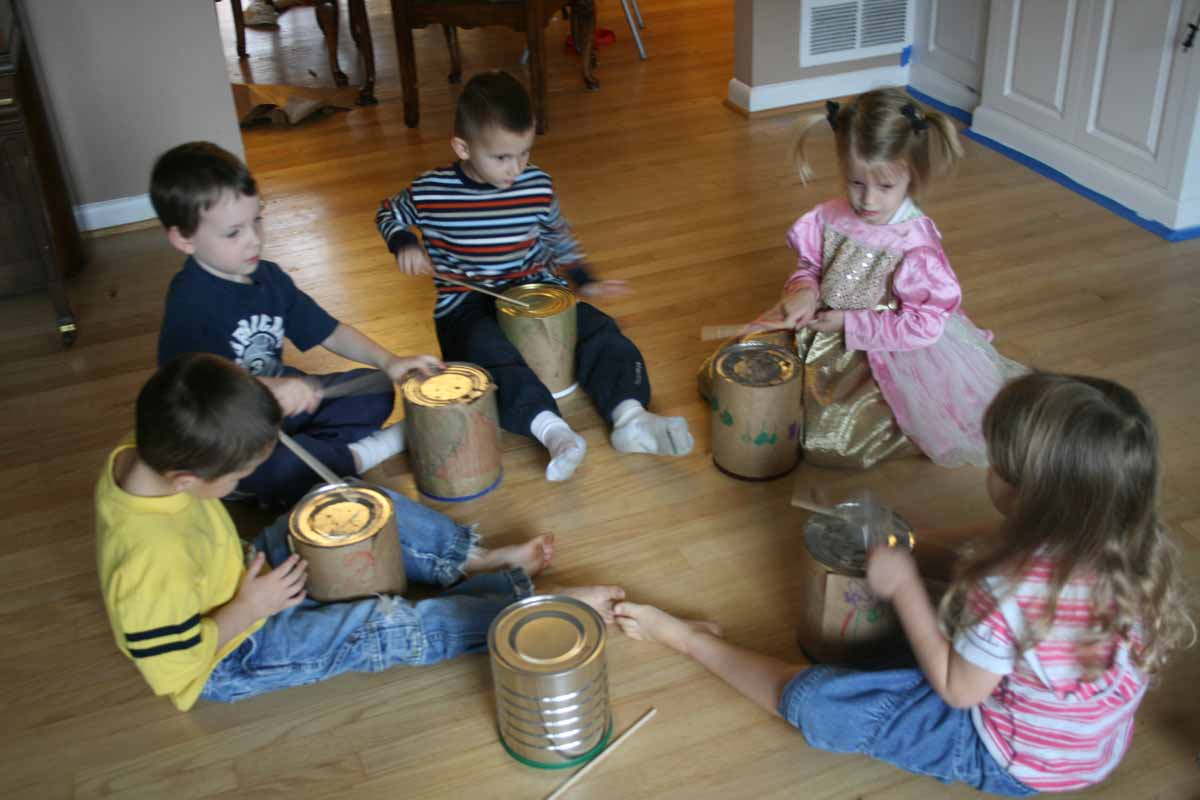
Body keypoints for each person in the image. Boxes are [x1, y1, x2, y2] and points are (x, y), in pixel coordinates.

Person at [616, 372, 1196, 795]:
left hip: (1013, 758)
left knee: (817, 702)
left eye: (995, 465)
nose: (989, 470)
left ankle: (689, 640)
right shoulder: (1127, 538)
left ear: (1030, 494)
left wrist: (904, 587)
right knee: (939, 612)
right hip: (1093, 749)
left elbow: (959, 691)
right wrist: (909, 543)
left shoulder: (1011, 589)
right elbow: (992, 539)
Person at [95, 352, 625, 711]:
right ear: (186, 481)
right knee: (381, 625)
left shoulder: (148, 447)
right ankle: (529, 613)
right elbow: (171, 668)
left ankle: (471, 561)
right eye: (237, 478)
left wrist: (265, 397)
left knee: (344, 497)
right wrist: (251, 607)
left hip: (240, 575)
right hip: (235, 650)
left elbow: (202, 396)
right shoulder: (150, 559)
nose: (241, 483)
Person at [375, 70, 693, 483]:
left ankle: (630, 416)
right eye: (501, 157)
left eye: (524, 153)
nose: (516, 168)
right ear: (463, 147)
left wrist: (582, 277)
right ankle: (552, 431)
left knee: (600, 330)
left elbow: (556, 233)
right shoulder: (429, 191)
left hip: (533, 290)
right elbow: (389, 213)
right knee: (486, 351)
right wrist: (404, 242)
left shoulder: (536, 184)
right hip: (465, 302)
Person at [723, 88, 1025, 468]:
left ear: (912, 177)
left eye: (885, 187)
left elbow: (924, 324)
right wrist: (804, 290)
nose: (867, 200)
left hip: (886, 347)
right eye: (856, 183)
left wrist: (851, 324)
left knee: (826, 435)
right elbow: (811, 266)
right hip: (820, 326)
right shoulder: (829, 216)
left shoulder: (916, 247)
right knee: (743, 367)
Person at [152, 141, 442, 508]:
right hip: (235, 436)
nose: (254, 240)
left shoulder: (268, 276)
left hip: (285, 406)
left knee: (377, 387)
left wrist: (390, 361)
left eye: (257, 220)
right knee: (278, 468)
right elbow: (195, 399)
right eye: (233, 232)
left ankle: (315, 461)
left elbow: (328, 330)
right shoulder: (189, 306)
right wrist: (268, 388)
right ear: (184, 238)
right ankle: (360, 455)